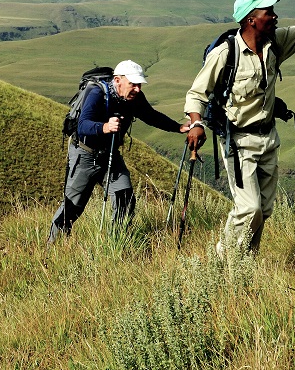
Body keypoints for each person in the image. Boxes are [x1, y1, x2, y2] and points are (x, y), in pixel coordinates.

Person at [185, 0, 295, 255]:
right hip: (239, 142)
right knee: (249, 208)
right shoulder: (225, 54)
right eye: (268, 13)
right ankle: (224, 258)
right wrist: (196, 123)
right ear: (251, 20)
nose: (275, 17)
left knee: (264, 210)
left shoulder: (275, 43)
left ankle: (247, 261)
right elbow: (196, 94)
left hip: (268, 138)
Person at [49, 59, 191, 241]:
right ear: (117, 80)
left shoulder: (135, 98)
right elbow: (82, 126)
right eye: (133, 84)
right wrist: (105, 127)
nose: (138, 89)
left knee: (125, 198)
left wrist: (177, 127)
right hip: (85, 155)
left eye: (139, 84)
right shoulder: (96, 93)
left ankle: (116, 244)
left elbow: (151, 116)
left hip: (110, 156)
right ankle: (52, 247)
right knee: (73, 206)